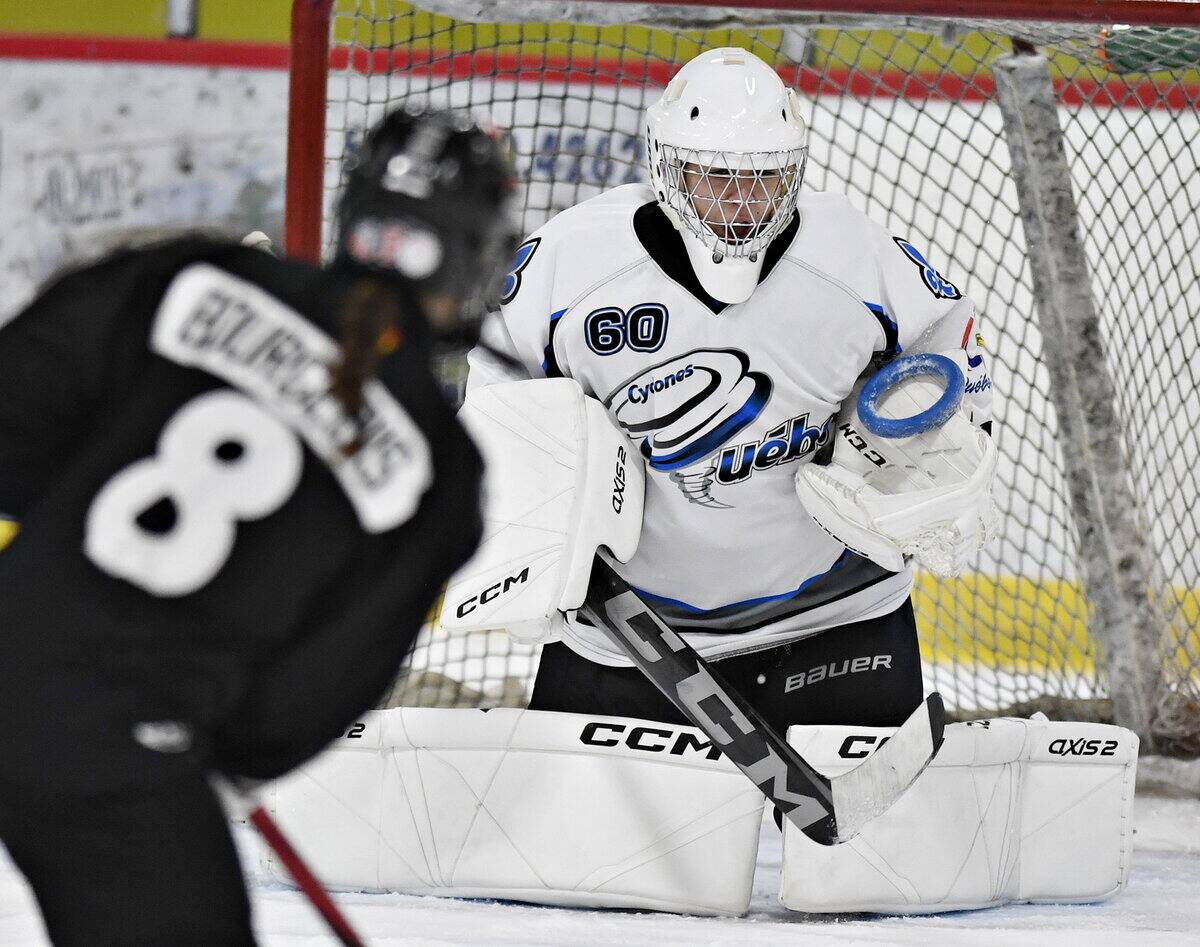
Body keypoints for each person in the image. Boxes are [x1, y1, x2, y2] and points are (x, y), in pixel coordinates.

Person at [0, 107, 515, 945]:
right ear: (476, 256)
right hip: (120, 750)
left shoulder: (195, 275)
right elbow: (297, 708)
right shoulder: (439, 471)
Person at [466, 47, 994, 734]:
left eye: (765, 180)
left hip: (842, 619)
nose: (742, 203)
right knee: (593, 845)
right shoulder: (567, 264)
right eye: (716, 178)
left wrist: (947, 443)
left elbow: (951, 345)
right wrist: (517, 537)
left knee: (891, 843)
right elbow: (491, 403)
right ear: (667, 168)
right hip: (629, 640)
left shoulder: (856, 255)